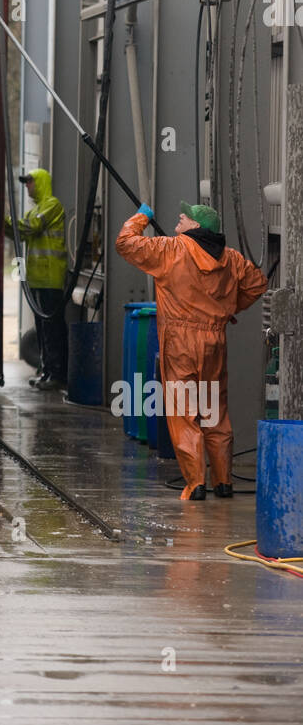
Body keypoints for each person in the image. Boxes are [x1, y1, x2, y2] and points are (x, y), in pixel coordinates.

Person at [115, 200, 268, 500]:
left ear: (196, 227)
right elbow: (257, 284)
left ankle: (196, 483)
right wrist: (227, 309)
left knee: (184, 412)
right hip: (214, 342)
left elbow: (125, 243)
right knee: (213, 411)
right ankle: (223, 481)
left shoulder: (171, 250)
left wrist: (140, 218)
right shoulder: (232, 259)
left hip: (181, 342)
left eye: (185, 216)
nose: (180, 216)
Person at [17, 169, 68, 390]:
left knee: (53, 328)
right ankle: (47, 370)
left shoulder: (51, 205)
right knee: (43, 329)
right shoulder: (35, 209)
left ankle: (57, 374)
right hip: (38, 279)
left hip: (51, 277)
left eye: (30, 182)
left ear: (41, 182)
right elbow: (19, 231)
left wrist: (8, 220)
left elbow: (31, 227)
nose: (27, 186)